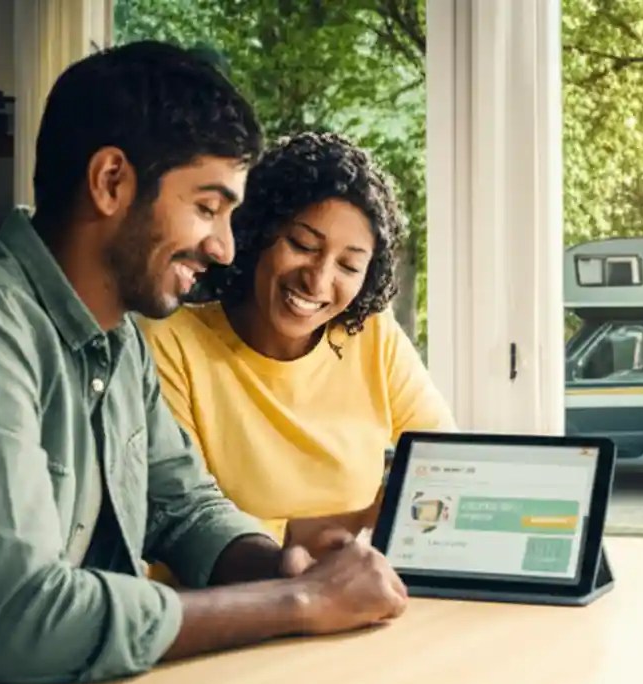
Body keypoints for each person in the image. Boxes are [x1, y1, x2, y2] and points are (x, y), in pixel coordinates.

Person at [0, 42, 407, 684]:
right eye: (208, 208)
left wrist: (284, 567)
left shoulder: (117, 339)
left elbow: (183, 506)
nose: (225, 248)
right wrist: (295, 603)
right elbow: (19, 620)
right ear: (112, 181)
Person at [138, 132, 455, 563]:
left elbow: (443, 465)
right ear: (259, 232)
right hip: (226, 610)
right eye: (302, 246)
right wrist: (349, 522)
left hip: (348, 595)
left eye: (348, 265)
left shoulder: (372, 337)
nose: (318, 281)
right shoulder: (171, 343)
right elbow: (174, 522)